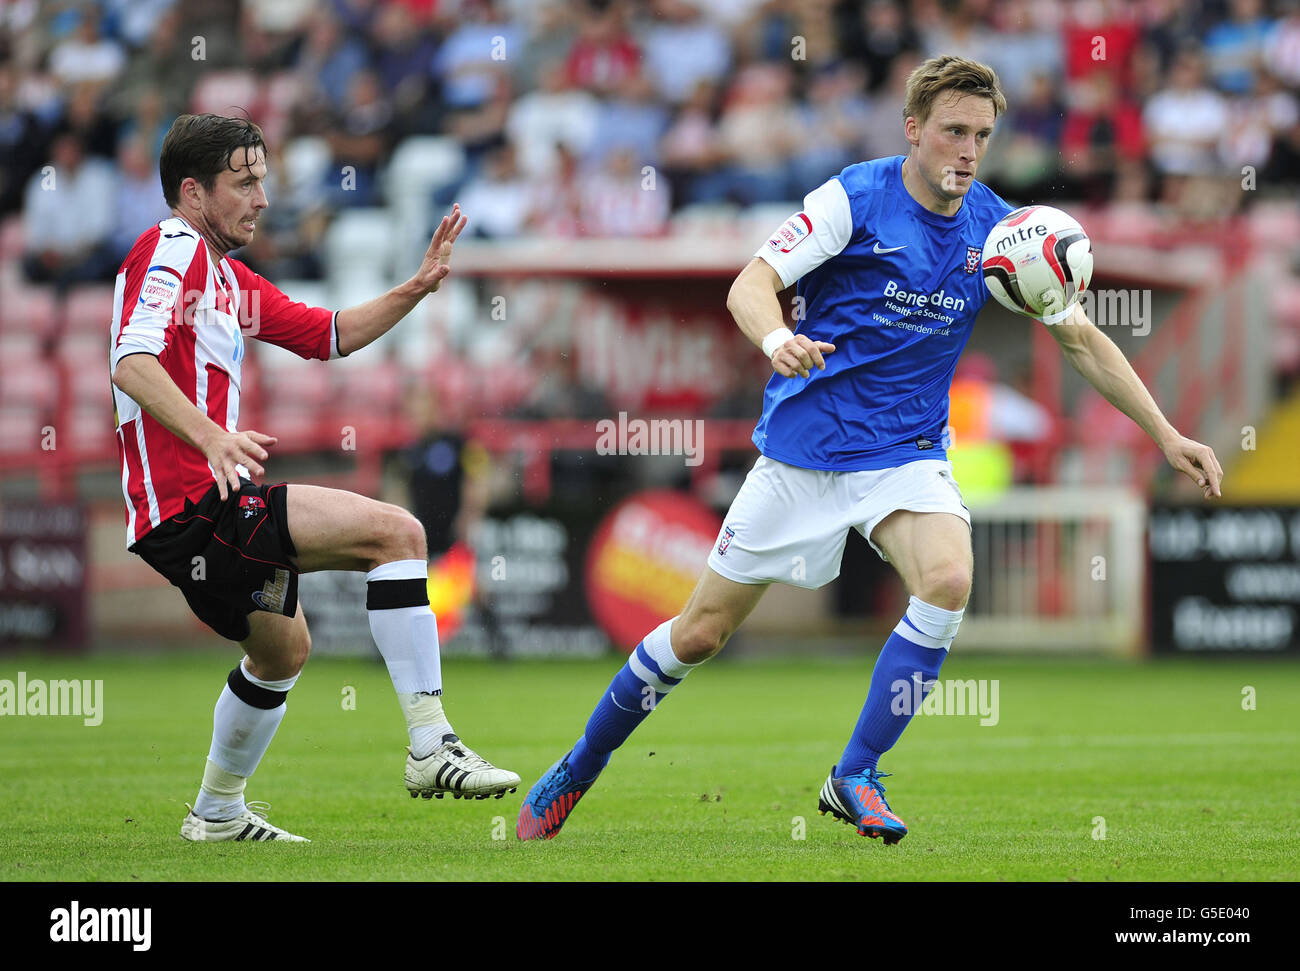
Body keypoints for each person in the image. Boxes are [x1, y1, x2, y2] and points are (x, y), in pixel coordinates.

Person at [516, 55, 1224, 844]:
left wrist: (1166, 433)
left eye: (982, 136)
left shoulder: (998, 229)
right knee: (698, 635)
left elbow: (1080, 338)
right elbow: (748, 285)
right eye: (954, 131)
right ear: (914, 129)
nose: (967, 150)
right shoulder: (854, 197)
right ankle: (577, 766)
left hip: (905, 454)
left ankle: (854, 772)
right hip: (802, 455)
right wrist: (779, 337)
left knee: (950, 577)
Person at [110, 114, 519, 844]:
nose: (263, 197)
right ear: (192, 192)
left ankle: (216, 813)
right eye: (245, 182)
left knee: (281, 651)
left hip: (190, 510)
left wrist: (415, 288)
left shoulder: (226, 277)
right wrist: (212, 437)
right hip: (196, 501)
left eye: (263, 178)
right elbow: (130, 360)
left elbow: (329, 334)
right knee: (397, 533)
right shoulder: (170, 248)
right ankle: (432, 742)